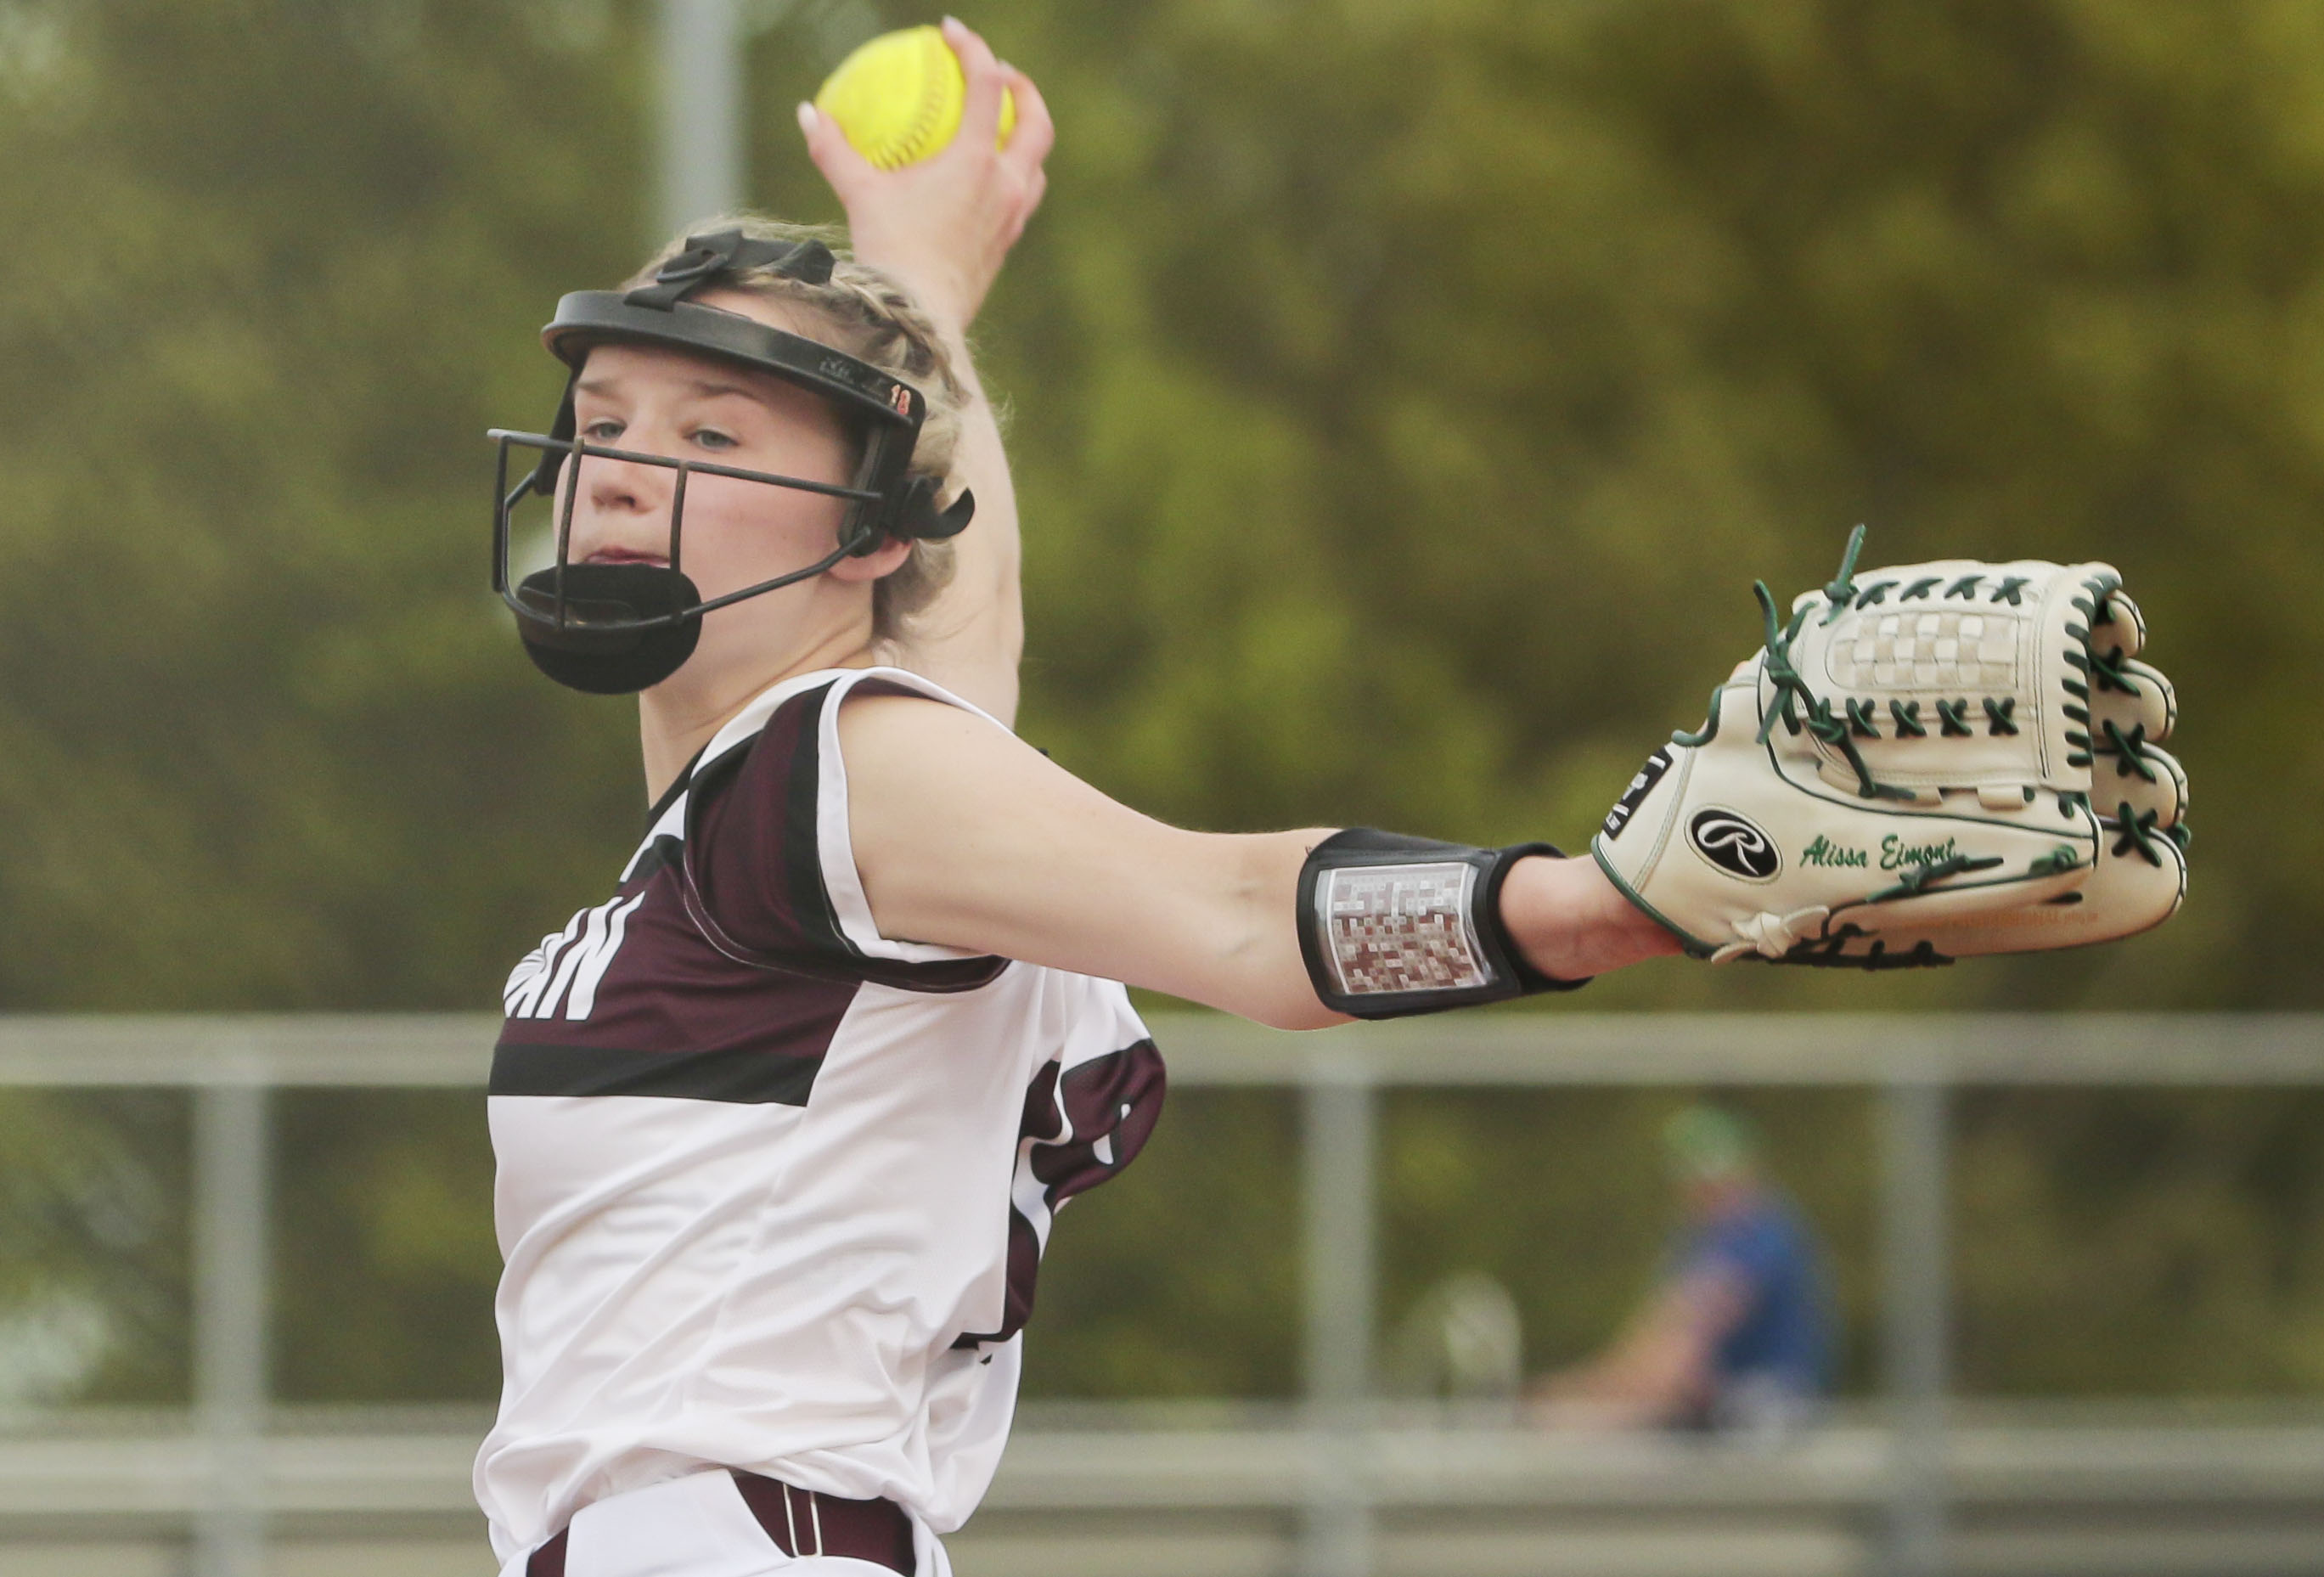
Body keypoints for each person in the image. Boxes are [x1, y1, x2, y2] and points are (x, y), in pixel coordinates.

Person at [473, 20, 1680, 1577]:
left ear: (866, 536)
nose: (623, 469)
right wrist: (920, 286)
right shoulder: (800, 802)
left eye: (711, 433)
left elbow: (1247, 920)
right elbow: (972, 638)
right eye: (609, 422)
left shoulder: (831, 769)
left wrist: (1589, 906)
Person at [1529, 1105, 1832, 1438]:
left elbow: (1671, 1365)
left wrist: (1568, 1414)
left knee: (1605, 1437)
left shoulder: (1756, 1238)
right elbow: (1645, 1349)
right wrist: (1565, 1394)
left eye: (1716, 1179)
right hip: (1726, 1413)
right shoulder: (1699, 1242)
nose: (1704, 1192)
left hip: (1763, 1417)